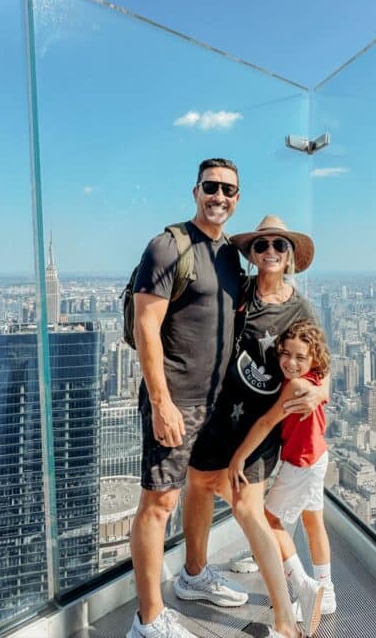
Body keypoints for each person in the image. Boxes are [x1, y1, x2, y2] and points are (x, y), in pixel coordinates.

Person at [186, 216, 329, 638]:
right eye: (262, 245)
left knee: (248, 509)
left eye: (279, 246)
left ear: (289, 257)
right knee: (197, 483)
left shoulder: (299, 308)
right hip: (218, 414)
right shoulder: (240, 291)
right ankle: (193, 573)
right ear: (252, 253)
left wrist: (321, 393)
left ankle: (286, 614)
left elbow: (321, 360)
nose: (270, 252)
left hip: (260, 427)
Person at [126, 158, 248, 638]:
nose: (220, 196)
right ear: (196, 191)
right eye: (212, 187)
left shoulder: (229, 257)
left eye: (230, 190)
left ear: (238, 199)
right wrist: (161, 403)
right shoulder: (167, 247)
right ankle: (149, 618)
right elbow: (146, 328)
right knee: (159, 502)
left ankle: (194, 575)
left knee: (201, 486)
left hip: (218, 401)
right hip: (177, 399)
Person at [228, 319, 336, 621]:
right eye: (286, 354)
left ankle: (304, 586)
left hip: (301, 462)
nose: (290, 362)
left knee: (268, 519)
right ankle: (327, 592)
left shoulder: (297, 386)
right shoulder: (315, 376)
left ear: (313, 358)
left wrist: (239, 457)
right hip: (317, 458)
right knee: (314, 523)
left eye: (300, 357)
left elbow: (266, 423)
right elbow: (326, 372)